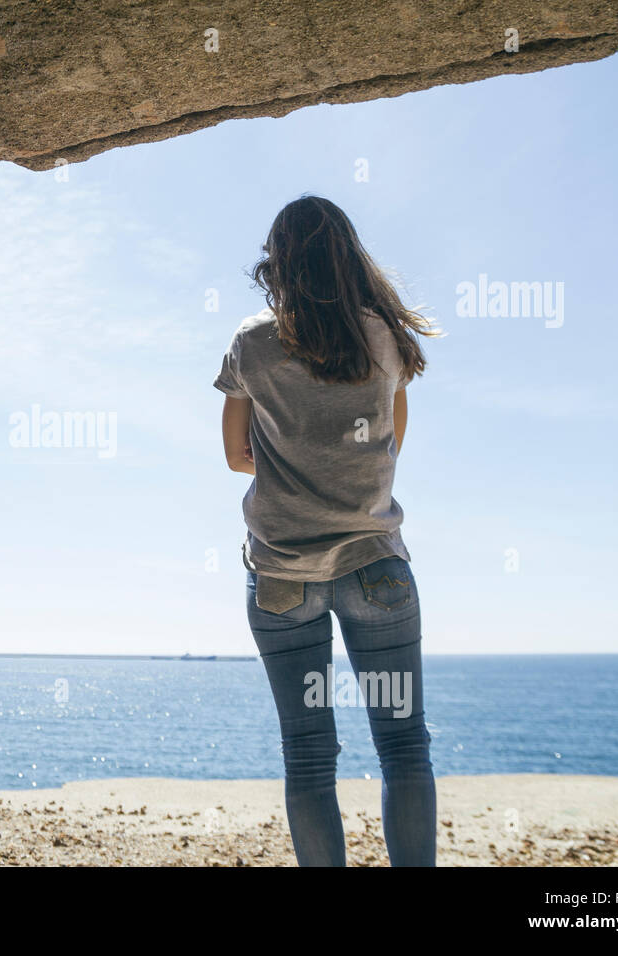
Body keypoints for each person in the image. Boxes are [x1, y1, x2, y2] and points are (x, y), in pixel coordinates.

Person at [214, 195, 440, 866]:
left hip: (282, 578)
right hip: (377, 570)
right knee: (403, 746)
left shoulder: (253, 342)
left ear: (277, 262)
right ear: (349, 256)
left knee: (309, 756)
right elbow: (392, 443)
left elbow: (235, 456)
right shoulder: (389, 340)